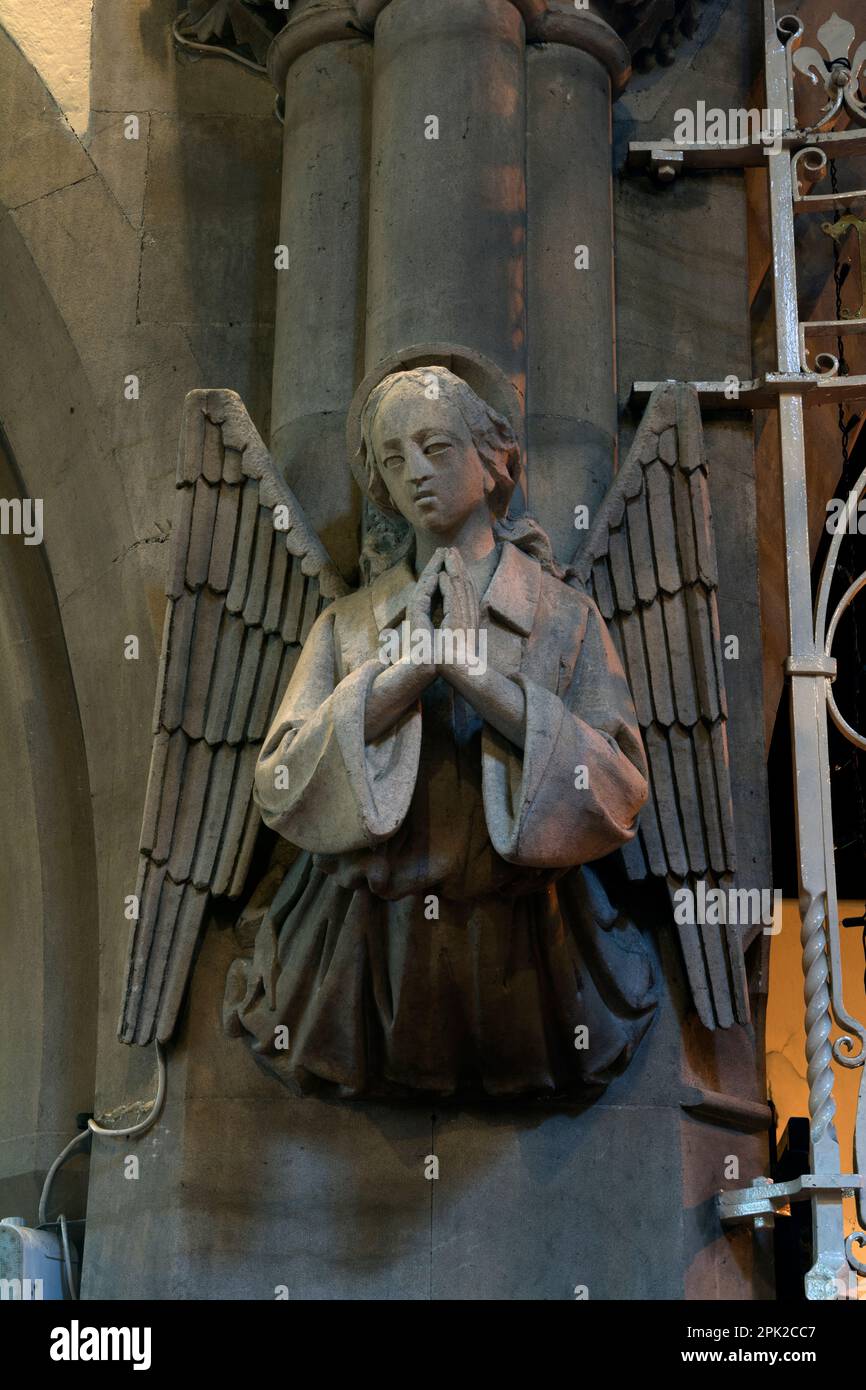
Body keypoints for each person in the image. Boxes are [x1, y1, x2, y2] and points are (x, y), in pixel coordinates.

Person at [224, 367, 658, 1098]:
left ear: (494, 462)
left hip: (530, 958)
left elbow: (618, 789)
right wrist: (403, 677)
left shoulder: (564, 619)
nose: (414, 474)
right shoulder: (350, 625)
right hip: (361, 955)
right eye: (393, 460)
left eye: (435, 447)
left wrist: (479, 681)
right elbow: (280, 781)